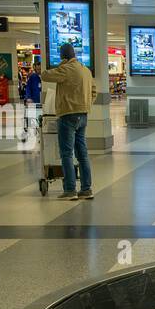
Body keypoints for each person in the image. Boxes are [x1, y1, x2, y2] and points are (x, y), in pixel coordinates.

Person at [40, 44, 96, 201]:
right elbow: (94, 91)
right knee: (82, 153)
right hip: (83, 115)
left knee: (66, 153)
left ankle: (70, 190)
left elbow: (45, 75)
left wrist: (62, 64)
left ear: (63, 56)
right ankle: (86, 189)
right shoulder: (86, 70)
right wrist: (86, 104)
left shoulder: (66, 69)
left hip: (67, 115)